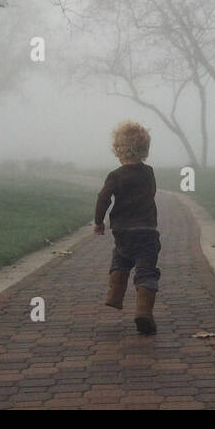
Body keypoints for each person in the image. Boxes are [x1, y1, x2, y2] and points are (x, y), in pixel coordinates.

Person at [94, 120, 160, 334]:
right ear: (145, 150)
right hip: (147, 231)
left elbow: (103, 197)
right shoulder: (148, 172)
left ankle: (115, 294)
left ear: (117, 149)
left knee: (121, 258)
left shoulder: (115, 176)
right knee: (146, 270)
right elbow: (151, 194)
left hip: (122, 231)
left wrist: (98, 221)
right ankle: (143, 311)